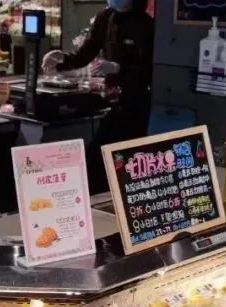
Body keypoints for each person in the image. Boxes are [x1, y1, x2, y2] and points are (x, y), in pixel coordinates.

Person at [41, 0, 154, 191]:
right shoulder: (105, 18)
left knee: (125, 165)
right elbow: (85, 54)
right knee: (96, 165)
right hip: (111, 103)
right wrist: (61, 60)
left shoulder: (147, 26)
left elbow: (152, 71)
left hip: (137, 106)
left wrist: (120, 69)